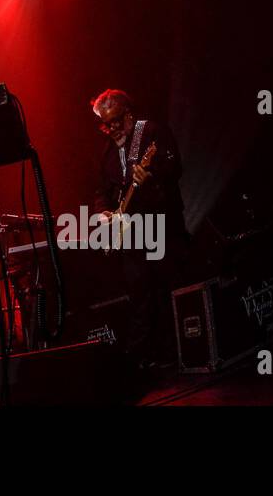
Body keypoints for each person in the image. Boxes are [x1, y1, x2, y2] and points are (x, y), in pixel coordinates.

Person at [90, 89, 189, 374]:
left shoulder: (151, 133)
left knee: (164, 289)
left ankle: (175, 353)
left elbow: (174, 167)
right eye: (104, 124)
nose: (109, 129)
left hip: (162, 224)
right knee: (138, 294)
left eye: (114, 122)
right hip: (133, 234)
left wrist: (153, 175)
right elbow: (102, 192)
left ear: (129, 115)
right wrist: (103, 213)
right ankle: (142, 362)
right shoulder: (108, 154)